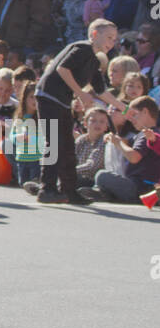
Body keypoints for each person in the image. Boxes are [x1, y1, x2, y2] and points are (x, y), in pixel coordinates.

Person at [27, 19, 125, 204]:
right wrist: (80, 93)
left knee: (67, 147)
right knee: (54, 143)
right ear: (95, 34)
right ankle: (47, 188)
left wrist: (125, 108)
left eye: (114, 39)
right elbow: (63, 68)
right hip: (49, 96)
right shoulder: (82, 48)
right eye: (109, 37)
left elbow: (101, 91)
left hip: (62, 102)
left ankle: (69, 190)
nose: (112, 43)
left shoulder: (94, 60)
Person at [82, 96, 160, 203]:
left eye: (134, 114)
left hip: (141, 187)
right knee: (95, 178)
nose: (130, 119)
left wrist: (117, 142)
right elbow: (128, 142)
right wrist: (116, 139)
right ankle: (102, 193)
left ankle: (101, 193)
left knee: (102, 175)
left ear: (145, 112)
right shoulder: (143, 134)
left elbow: (134, 157)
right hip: (138, 186)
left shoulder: (148, 134)